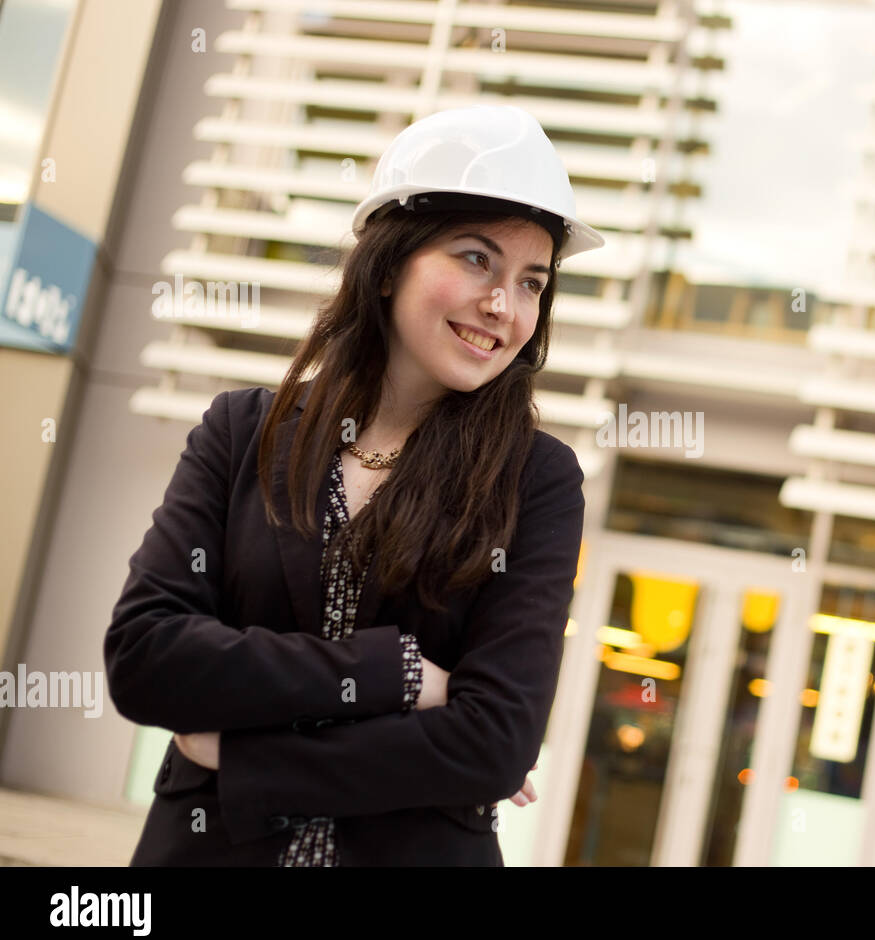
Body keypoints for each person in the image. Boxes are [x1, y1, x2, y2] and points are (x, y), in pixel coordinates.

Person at [103, 105, 605, 865]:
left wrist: (247, 760)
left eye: (532, 282)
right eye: (477, 260)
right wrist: (396, 674)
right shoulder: (242, 432)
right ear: (389, 264)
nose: (505, 307)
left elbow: (495, 742)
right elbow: (147, 658)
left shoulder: (536, 480)